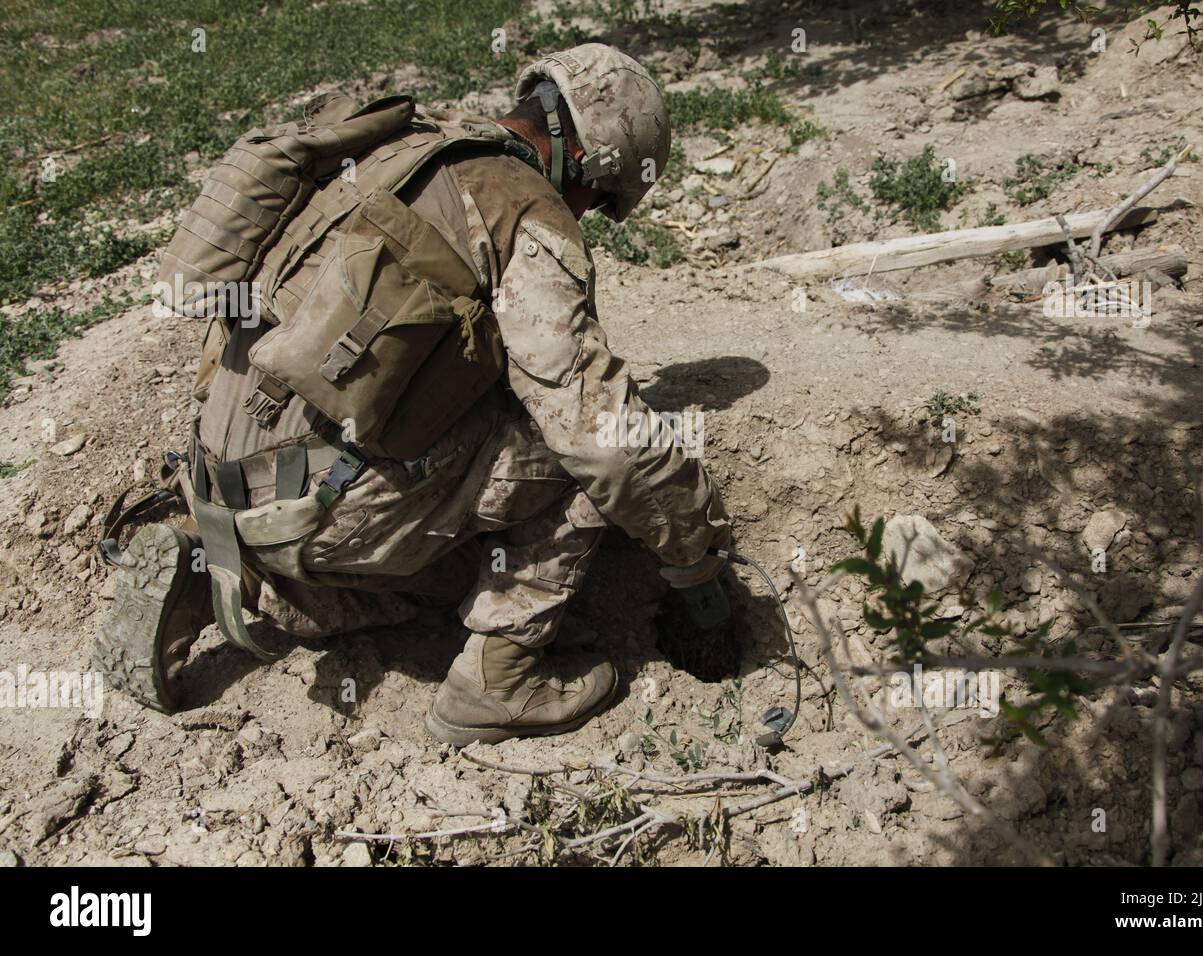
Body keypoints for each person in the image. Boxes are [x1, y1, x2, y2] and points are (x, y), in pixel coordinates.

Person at [94, 44, 732, 746]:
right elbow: (604, 443)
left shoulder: (400, 150)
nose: (582, 216)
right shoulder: (520, 208)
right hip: (324, 507)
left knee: (446, 560)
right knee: (576, 464)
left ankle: (219, 575)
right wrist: (697, 557)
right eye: (596, 203)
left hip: (218, 481)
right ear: (592, 162)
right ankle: (499, 679)